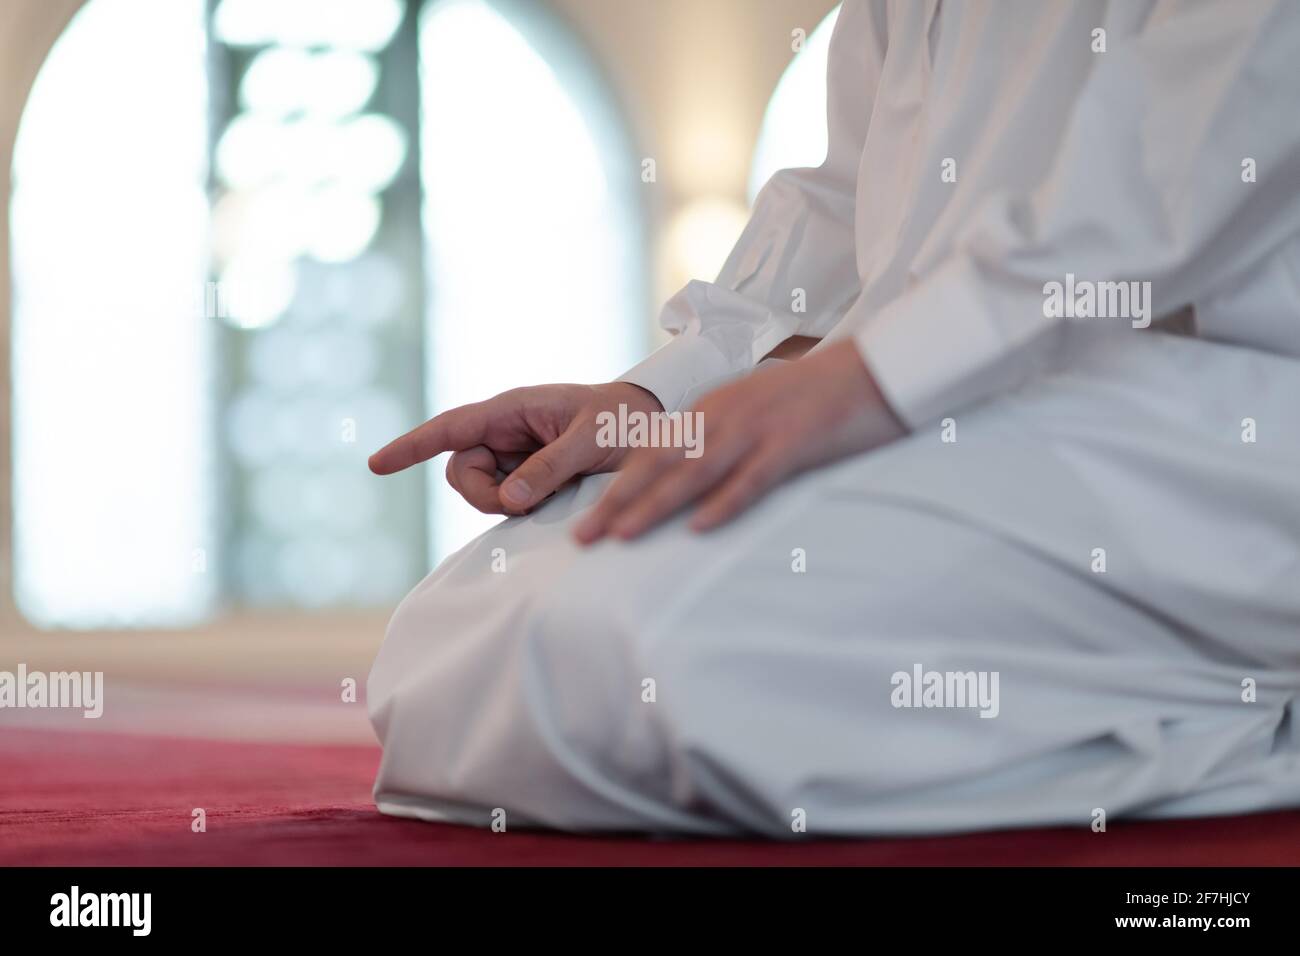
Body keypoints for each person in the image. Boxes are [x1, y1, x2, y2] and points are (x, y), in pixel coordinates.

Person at [364, 0, 1300, 835]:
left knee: (644, 642)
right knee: (455, 624)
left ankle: (1249, 707)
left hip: (1195, 422)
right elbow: (849, 203)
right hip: (942, 393)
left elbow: (1165, 178)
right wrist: (664, 397)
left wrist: (872, 378)